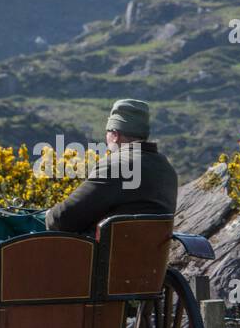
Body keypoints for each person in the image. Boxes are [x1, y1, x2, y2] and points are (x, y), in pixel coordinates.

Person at [44, 99, 177, 235]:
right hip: (150, 255)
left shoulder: (115, 166)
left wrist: (48, 215)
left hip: (104, 255)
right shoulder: (167, 169)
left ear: (115, 135)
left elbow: (63, 219)